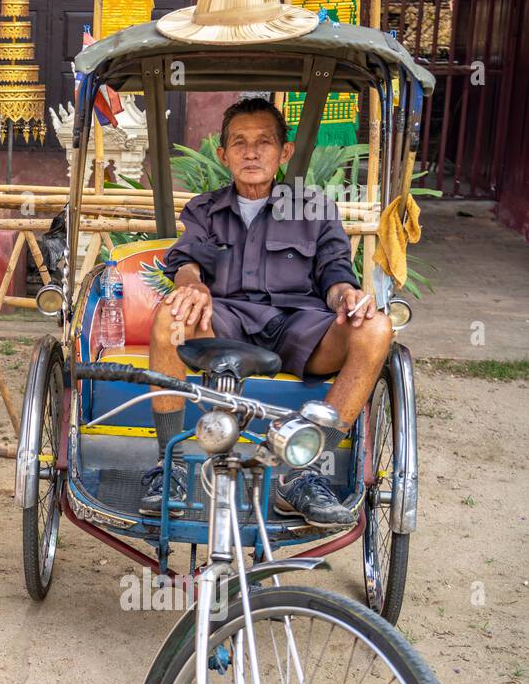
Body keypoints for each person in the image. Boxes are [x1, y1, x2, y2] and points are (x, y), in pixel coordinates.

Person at [140, 97, 392, 527]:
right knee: (171, 314)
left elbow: (334, 271)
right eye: (239, 143)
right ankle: (172, 466)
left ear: (284, 152)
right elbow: (186, 261)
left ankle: (302, 472)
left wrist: (347, 296)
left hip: (298, 326)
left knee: (376, 328)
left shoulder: (315, 209)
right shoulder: (204, 209)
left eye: (263, 142)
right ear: (223, 155)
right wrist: (192, 286)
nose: (251, 152)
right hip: (223, 322)